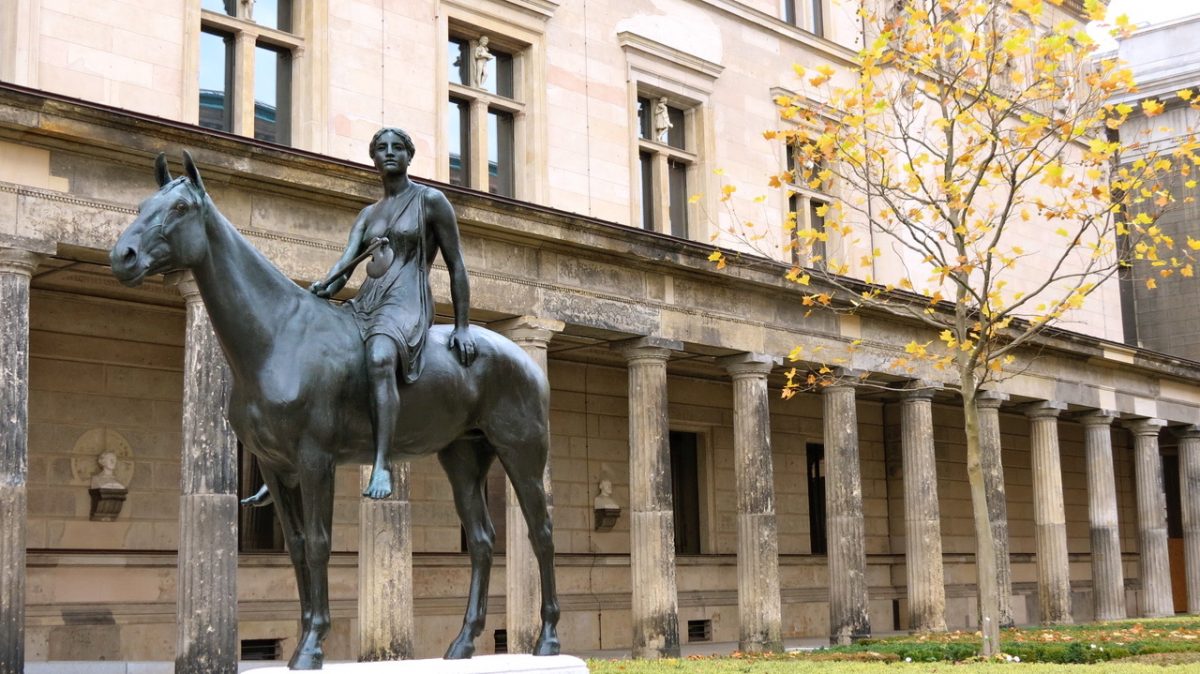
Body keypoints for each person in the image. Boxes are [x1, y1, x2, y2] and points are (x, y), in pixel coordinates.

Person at [310, 127, 477, 499]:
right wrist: (326, 287)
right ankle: (297, 451)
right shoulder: (368, 214)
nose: (389, 153)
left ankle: (382, 463)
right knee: (321, 353)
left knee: (379, 355)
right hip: (368, 299)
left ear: (409, 156)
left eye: (397, 147)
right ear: (373, 158)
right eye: (381, 148)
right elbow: (346, 263)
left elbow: (457, 265)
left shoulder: (430, 201)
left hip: (408, 300)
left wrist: (463, 326)